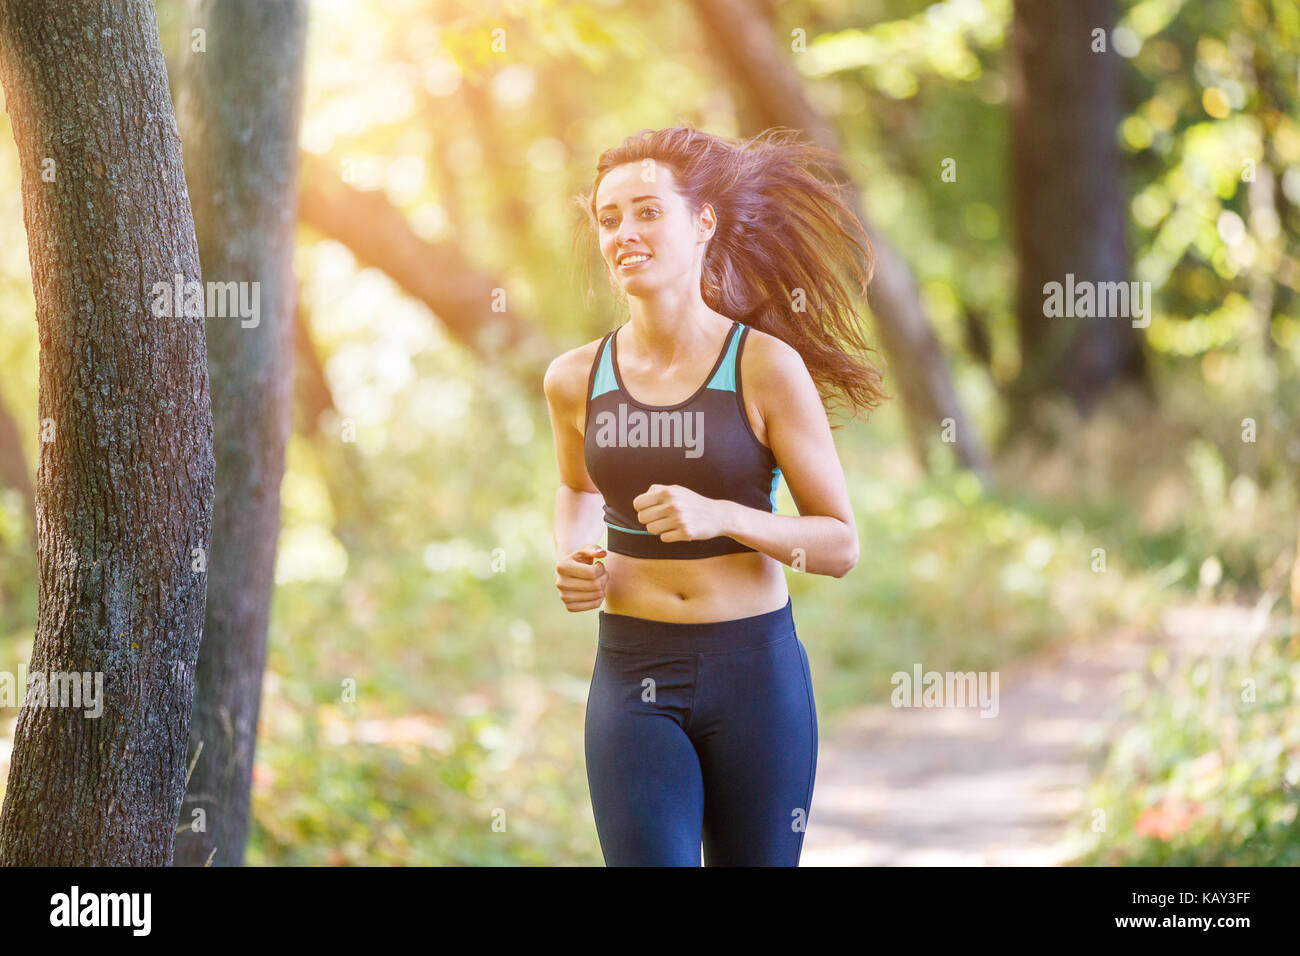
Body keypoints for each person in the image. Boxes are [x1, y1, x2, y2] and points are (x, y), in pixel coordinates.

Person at [543, 124, 889, 866]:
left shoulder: (763, 367)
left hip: (755, 679)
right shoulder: (575, 378)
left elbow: (839, 544)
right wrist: (574, 556)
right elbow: (575, 489)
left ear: (704, 224)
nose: (624, 233)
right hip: (632, 675)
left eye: (646, 211)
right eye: (609, 219)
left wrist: (725, 515)